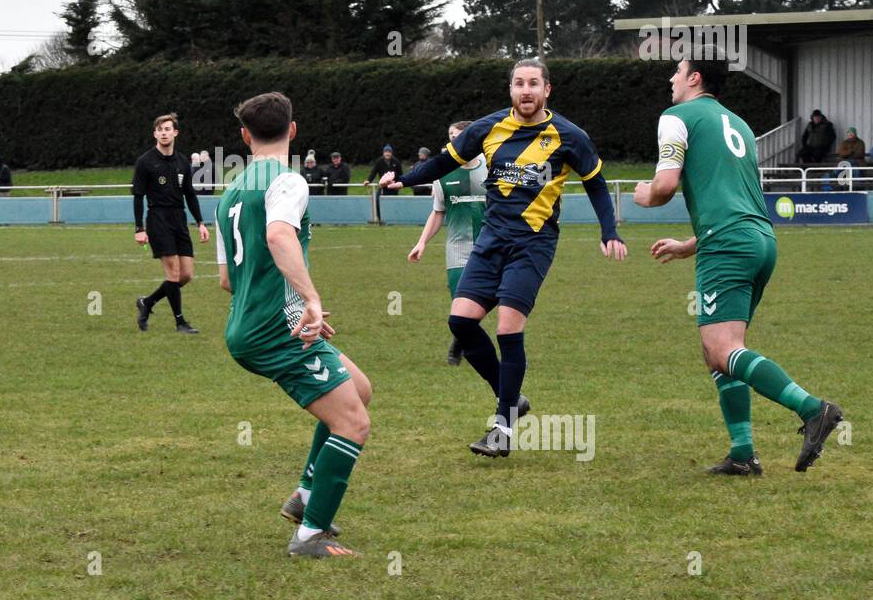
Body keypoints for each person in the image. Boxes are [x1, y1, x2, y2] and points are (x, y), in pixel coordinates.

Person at [384, 59, 628, 457]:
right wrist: (404, 178)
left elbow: (597, 184)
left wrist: (609, 230)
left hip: (533, 242)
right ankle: (511, 399)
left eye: (534, 83)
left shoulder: (570, 135)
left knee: (507, 329)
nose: (526, 90)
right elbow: (446, 161)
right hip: (491, 239)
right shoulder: (487, 128)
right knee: (461, 322)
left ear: (548, 89)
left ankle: (503, 428)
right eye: (519, 83)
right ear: (511, 90)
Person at [634, 56, 844, 475]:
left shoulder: (676, 116)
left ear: (694, 78)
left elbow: (664, 187)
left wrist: (641, 194)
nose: (670, 79)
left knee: (722, 349)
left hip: (729, 246)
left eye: (676, 72)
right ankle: (743, 453)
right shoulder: (739, 125)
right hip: (758, 240)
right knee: (721, 351)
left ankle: (813, 409)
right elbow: (736, 199)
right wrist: (690, 244)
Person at [216, 91, 370, 559]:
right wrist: (310, 300)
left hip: (250, 323)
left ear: (245, 137)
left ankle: (305, 495)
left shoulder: (228, 192)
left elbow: (227, 279)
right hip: (271, 330)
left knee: (359, 389)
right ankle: (310, 536)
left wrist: (289, 306)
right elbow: (279, 235)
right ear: (294, 131)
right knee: (354, 423)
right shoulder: (287, 181)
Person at [407, 121, 488, 366]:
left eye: (460, 137)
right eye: (451, 137)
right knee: (460, 302)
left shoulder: (492, 167)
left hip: (490, 245)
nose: (455, 142)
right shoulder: (442, 174)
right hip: (458, 248)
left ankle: (462, 341)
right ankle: (461, 340)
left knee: (489, 299)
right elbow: (438, 212)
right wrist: (422, 242)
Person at [133, 113, 209, 334]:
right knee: (173, 273)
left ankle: (147, 302)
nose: (164, 133)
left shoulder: (183, 161)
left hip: (179, 218)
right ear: (155, 133)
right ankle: (180, 322)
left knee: (186, 275)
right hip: (158, 219)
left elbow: (190, 195)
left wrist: (201, 223)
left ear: (175, 132)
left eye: (168, 129)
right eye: (160, 129)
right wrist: (139, 228)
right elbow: (138, 196)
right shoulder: (145, 162)